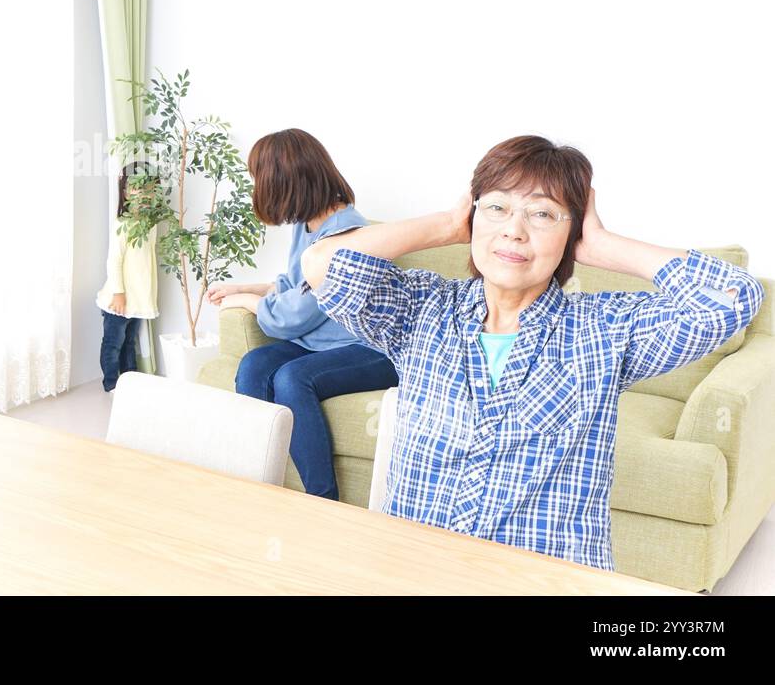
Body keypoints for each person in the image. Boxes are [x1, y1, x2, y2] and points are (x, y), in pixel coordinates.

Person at [300, 134, 765, 571]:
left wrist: (603, 245)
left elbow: (733, 297)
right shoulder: (420, 310)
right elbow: (320, 265)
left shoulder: (605, 329)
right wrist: (444, 225)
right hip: (418, 570)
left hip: (547, 581)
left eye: (542, 214)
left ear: (572, 232)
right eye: (497, 208)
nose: (515, 231)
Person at [209, 128, 397, 500]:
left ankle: (323, 501)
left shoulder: (344, 234)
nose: (257, 190)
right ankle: (257, 479)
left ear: (287, 182)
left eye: (260, 180)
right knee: (254, 366)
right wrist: (246, 289)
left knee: (292, 378)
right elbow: (294, 287)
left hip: (371, 346)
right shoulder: (309, 225)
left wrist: (248, 303)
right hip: (323, 342)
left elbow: (291, 318)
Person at [96, 162, 159, 393]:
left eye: (149, 188)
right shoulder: (122, 224)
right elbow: (114, 261)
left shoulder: (150, 225)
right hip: (118, 300)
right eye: (136, 188)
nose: (143, 194)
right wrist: (119, 293)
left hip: (138, 299)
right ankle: (111, 383)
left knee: (129, 343)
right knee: (113, 344)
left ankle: (130, 382)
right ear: (125, 191)